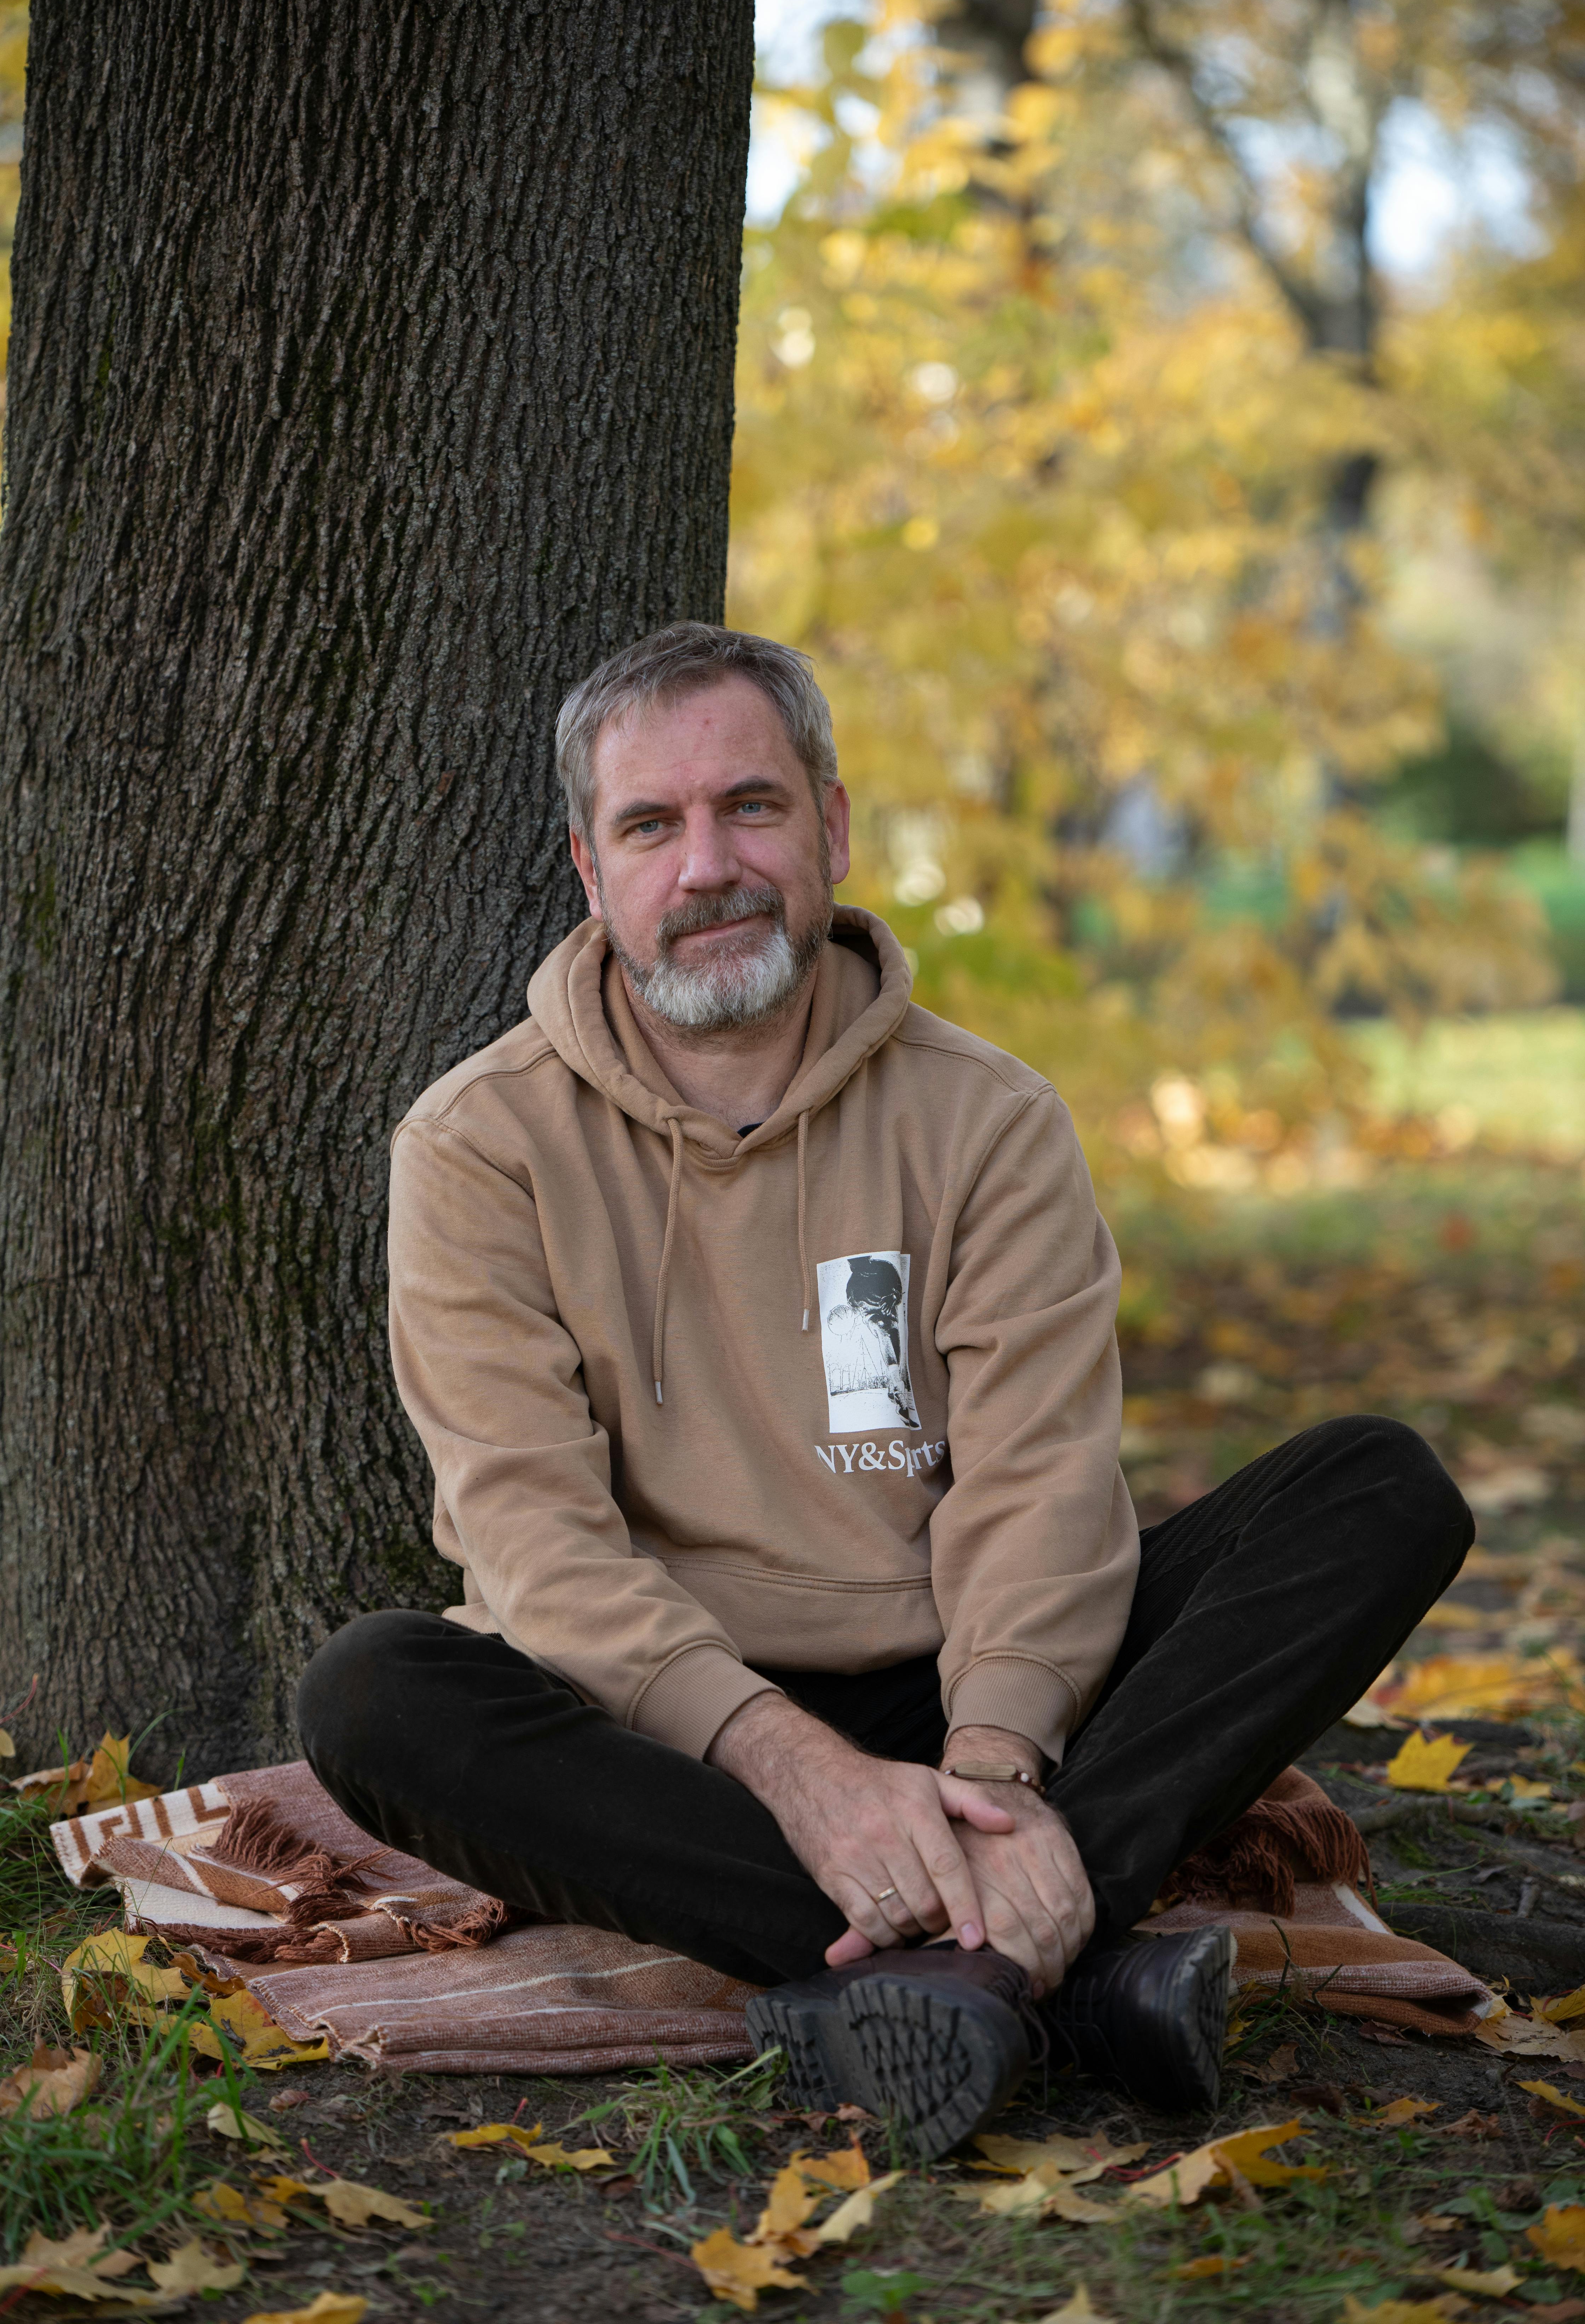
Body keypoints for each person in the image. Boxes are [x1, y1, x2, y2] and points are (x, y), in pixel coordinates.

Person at [298, 623, 1473, 2156]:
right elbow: (533, 1540)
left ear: (832, 828)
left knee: (1376, 1487)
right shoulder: (474, 1149)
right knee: (375, 1692)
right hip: (677, 1733)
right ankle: (1072, 1969)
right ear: (591, 873)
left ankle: (975, 1958)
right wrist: (797, 1774)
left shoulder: (986, 1120)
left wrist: (986, 1763)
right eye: (652, 826)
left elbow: (1038, 1484)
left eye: (752, 807)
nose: (706, 864)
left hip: (976, 1685)